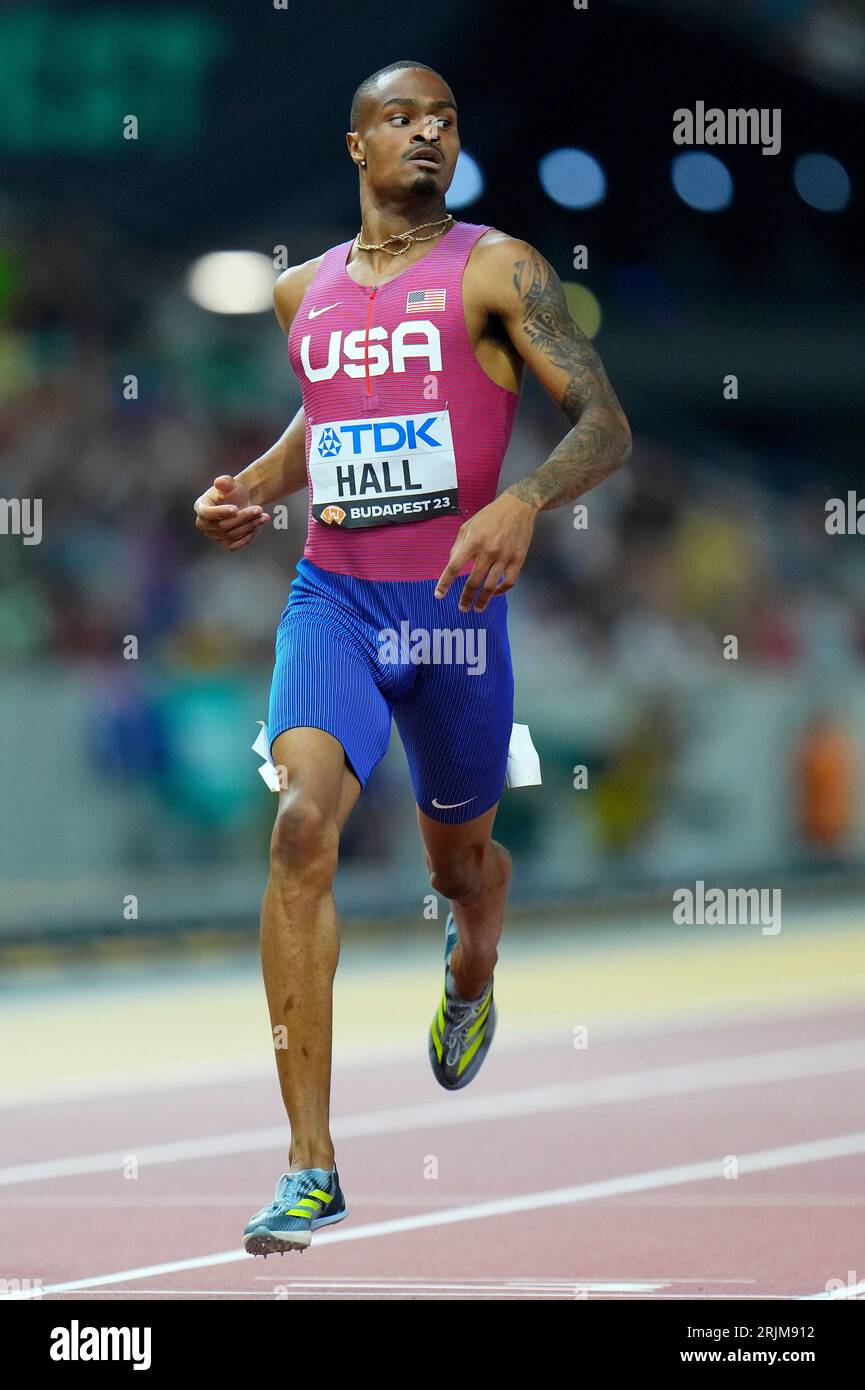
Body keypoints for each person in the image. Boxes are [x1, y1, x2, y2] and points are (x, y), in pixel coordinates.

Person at [193, 59, 631, 1256]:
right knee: (298, 831)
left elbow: (604, 421)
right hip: (331, 599)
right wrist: (248, 489)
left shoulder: (500, 268)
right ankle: (310, 1166)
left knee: (462, 868)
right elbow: (322, 424)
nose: (426, 136)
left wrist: (527, 499)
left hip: (452, 619)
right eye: (400, 119)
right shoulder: (300, 294)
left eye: (443, 120)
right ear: (355, 147)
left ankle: (474, 963)